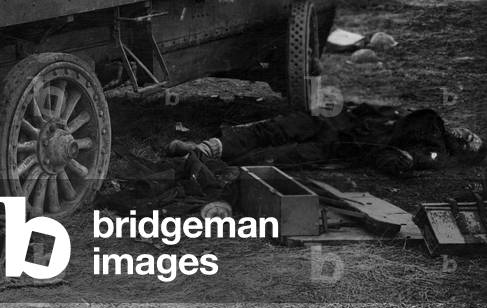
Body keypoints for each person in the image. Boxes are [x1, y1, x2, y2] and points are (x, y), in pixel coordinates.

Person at [167, 103, 485, 176]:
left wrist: (400, 161)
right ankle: (202, 149)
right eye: (472, 133)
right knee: (271, 128)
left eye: (471, 142)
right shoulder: (431, 120)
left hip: (342, 144)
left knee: (275, 157)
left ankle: (195, 159)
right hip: (338, 120)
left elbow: (396, 160)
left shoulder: (434, 153)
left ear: (463, 153)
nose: (467, 135)